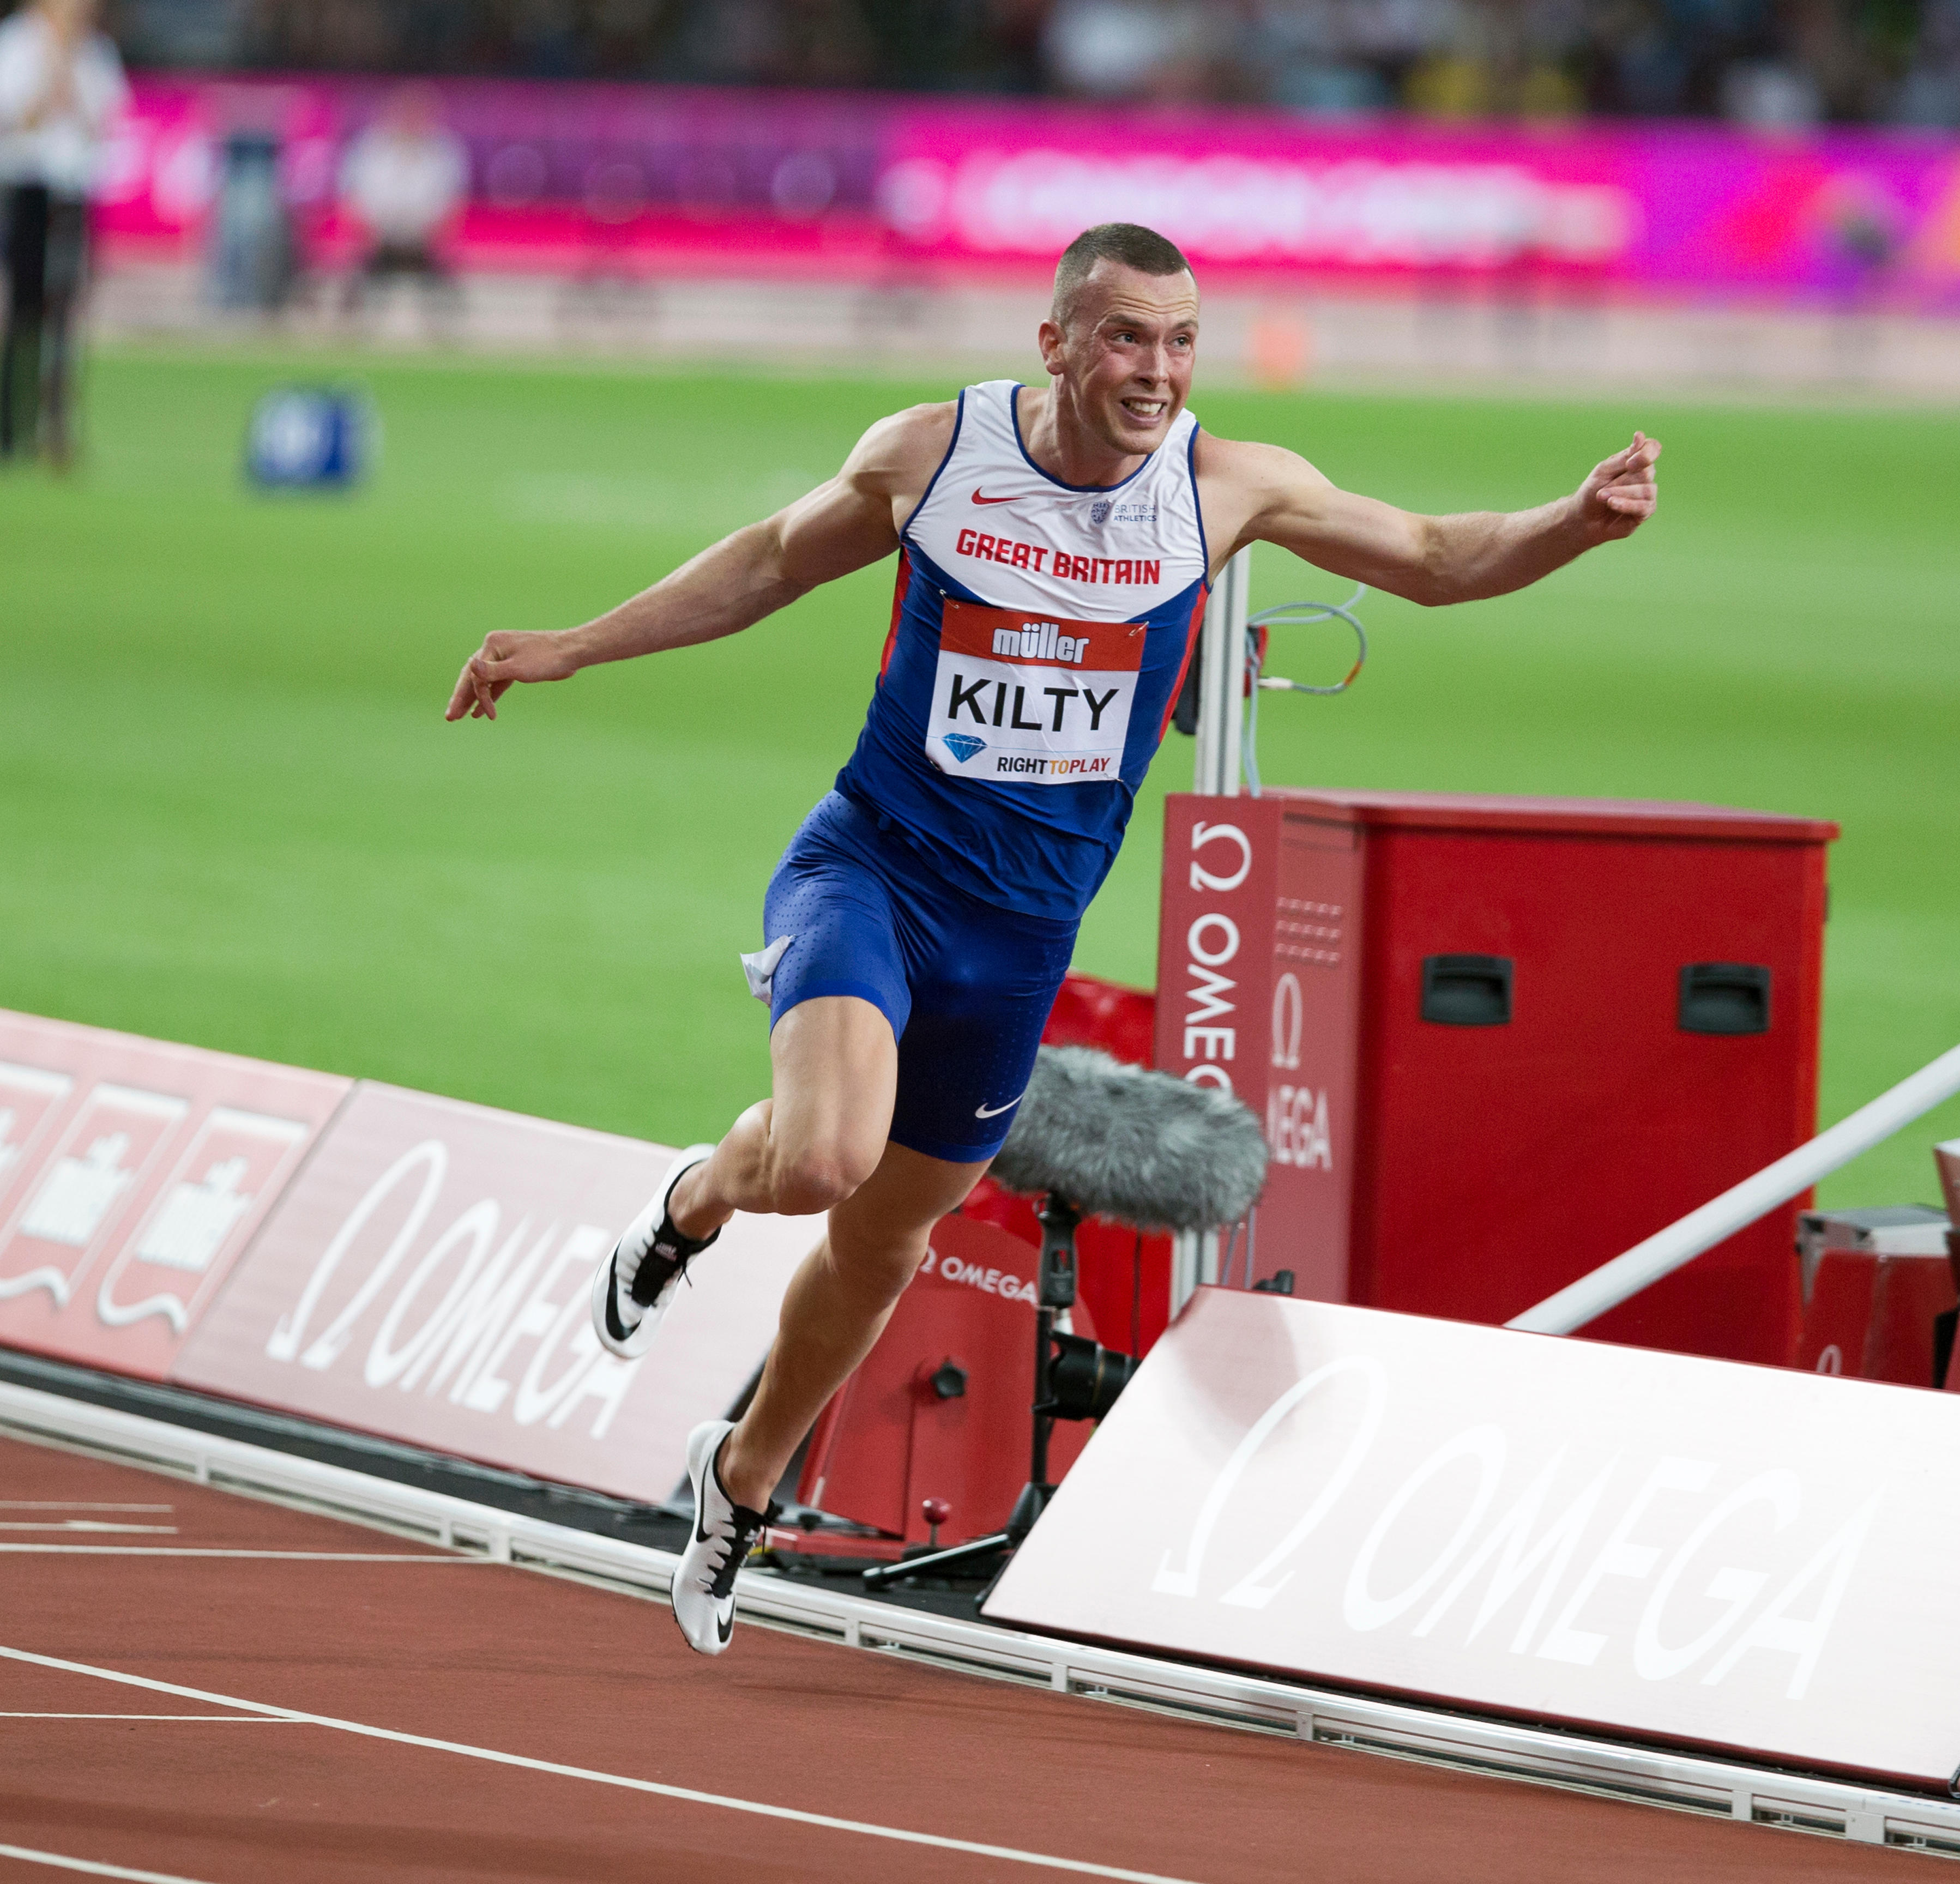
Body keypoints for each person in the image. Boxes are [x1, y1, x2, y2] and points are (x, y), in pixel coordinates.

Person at [447, 222, 1661, 1658]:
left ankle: (743, 1474)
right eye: (1127, 337)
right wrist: (573, 644)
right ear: (1057, 344)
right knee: (828, 1155)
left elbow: (1438, 558)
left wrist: (1574, 522)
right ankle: (700, 1200)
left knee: (888, 1231)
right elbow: (773, 562)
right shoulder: (932, 456)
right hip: (874, 873)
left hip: (1018, 937)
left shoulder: (1226, 488)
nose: (1157, 371)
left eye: (1181, 340)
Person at [0, 0, 129, 466]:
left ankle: (56, 425)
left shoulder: (97, 54)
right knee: (19, 312)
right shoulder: (9, 47)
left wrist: (71, 67)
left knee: (66, 313)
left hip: (72, 193)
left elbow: (100, 124)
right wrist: (53, 66)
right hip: (27, 189)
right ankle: (6, 429)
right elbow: (17, 120)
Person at [337, 86, 468, 316]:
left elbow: (453, 204)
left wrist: (433, 235)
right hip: (379, 239)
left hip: (424, 241)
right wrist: (369, 233)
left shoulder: (444, 150)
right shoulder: (369, 148)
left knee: (444, 284)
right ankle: (350, 334)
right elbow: (352, 200)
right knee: (354, 280)